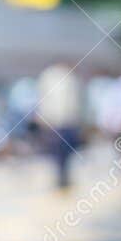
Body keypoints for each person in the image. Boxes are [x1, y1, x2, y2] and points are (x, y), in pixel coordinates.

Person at [35, 61, 83, 191]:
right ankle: (59, 180)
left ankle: (64, 179)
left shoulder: (71, 78)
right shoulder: (48, 77)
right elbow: (44, 99)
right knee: (56, 152)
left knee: (68, 152)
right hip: (54, 121)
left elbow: (75, 102)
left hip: (67, 121)